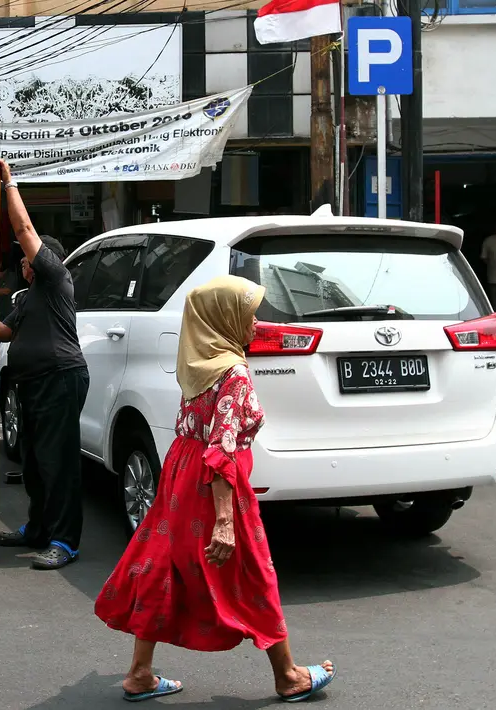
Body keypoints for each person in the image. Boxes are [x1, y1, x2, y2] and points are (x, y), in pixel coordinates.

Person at [94, 275, 335, 704]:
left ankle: (139, 672)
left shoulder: (197, 358)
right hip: (216, 484)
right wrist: (224, 520)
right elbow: (222, 448)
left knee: (161, 566)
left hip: (180, 474)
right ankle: (289, 676)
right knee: (254, 572)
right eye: (247, 314)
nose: (255, 322)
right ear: (224, 319)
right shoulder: (234, 373)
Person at [0, 160, 90, 571]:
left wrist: (8, 184)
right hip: (31, 385)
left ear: (43, 259)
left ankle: (65, 541)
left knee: (59, 464)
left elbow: (25, 232)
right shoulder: (29, 296)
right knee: (32, 462)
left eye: (27, 257)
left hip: (59, 380)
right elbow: (3, 332)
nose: (22, 261)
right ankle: (37, 528)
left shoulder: (55, 278)